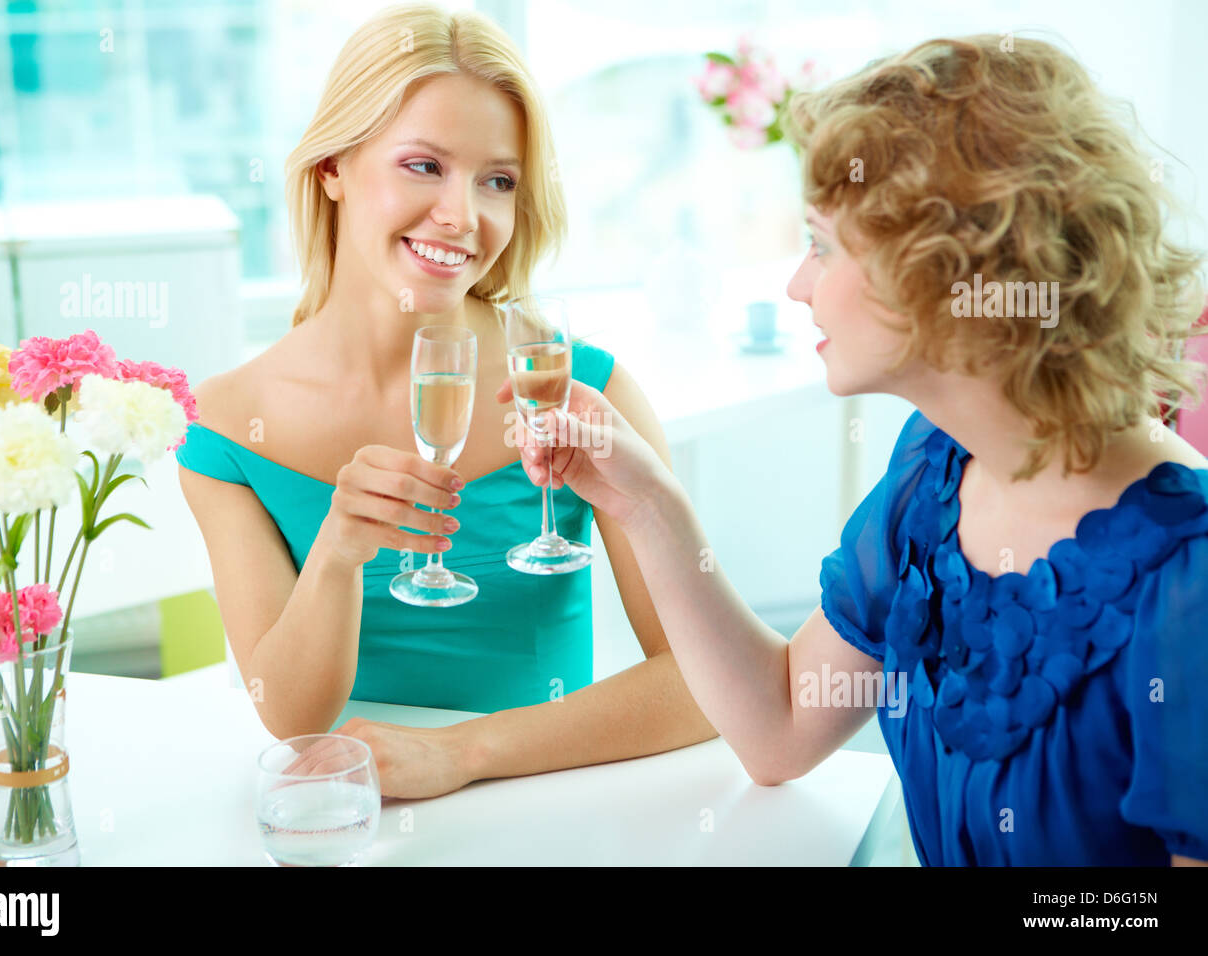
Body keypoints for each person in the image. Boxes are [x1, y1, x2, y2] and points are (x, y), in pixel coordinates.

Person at [504, 34, 1208, 865]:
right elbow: (781, 728)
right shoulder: (936, 471)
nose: (798, 284)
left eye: (823, 244)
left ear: (949, 269)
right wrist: (644, 501)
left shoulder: (1186, 581)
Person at [175, 3, 717, 799]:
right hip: (354, 819)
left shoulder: (582, 390)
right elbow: (289, 716)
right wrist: (336, 553)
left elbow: (706, 682)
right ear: (332, 167)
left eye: (497, 180)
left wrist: (461, 754)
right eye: (423, 166)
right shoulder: (224, 426)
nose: (463, 217)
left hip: (550, 810)